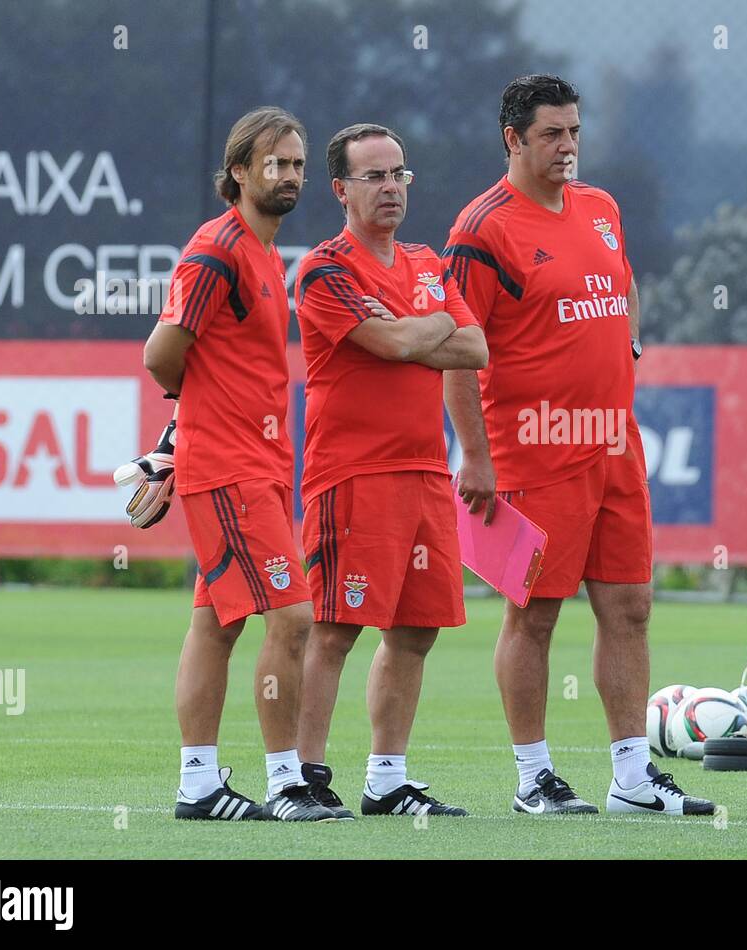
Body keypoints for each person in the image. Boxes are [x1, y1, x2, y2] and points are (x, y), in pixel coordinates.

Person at [442, 74, 713, 816]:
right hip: (533, 449)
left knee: (630, 608)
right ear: (513, 140)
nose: (568, 148)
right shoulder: (480, 228)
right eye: (552, 135)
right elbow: (458, 349)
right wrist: (477, 455)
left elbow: (621, 287)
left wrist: (624, 345)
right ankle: (534, 777)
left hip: (614, 446)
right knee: (534, 616)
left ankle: (632, 778)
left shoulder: (600, 209)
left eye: (575, 132)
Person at [134, 106, 336, 821]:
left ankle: (198, 785)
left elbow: (216, 362)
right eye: (274, 162)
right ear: (239, 171)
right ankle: (286, 783)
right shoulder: (217, 248)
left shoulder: (261, 250)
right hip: (229, 470)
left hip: (257, 465)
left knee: (216, 626)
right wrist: (187, 433)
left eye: (298, 164)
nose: (289, 175)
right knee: (293, 619)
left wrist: (175, 432)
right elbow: (163, 353)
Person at [294, 124, 487, 818]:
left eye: (399, 174)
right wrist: (422, 327)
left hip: (426, 474)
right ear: (341, 190)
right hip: (354, 473)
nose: (390, 188)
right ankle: (304, 775)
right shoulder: (325, 269)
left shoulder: (428, 261)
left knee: (414, 630)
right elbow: (394, 341)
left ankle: (386, 778)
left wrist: (417, 328)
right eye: (374, 176)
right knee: (336, 626)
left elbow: (475, 347)